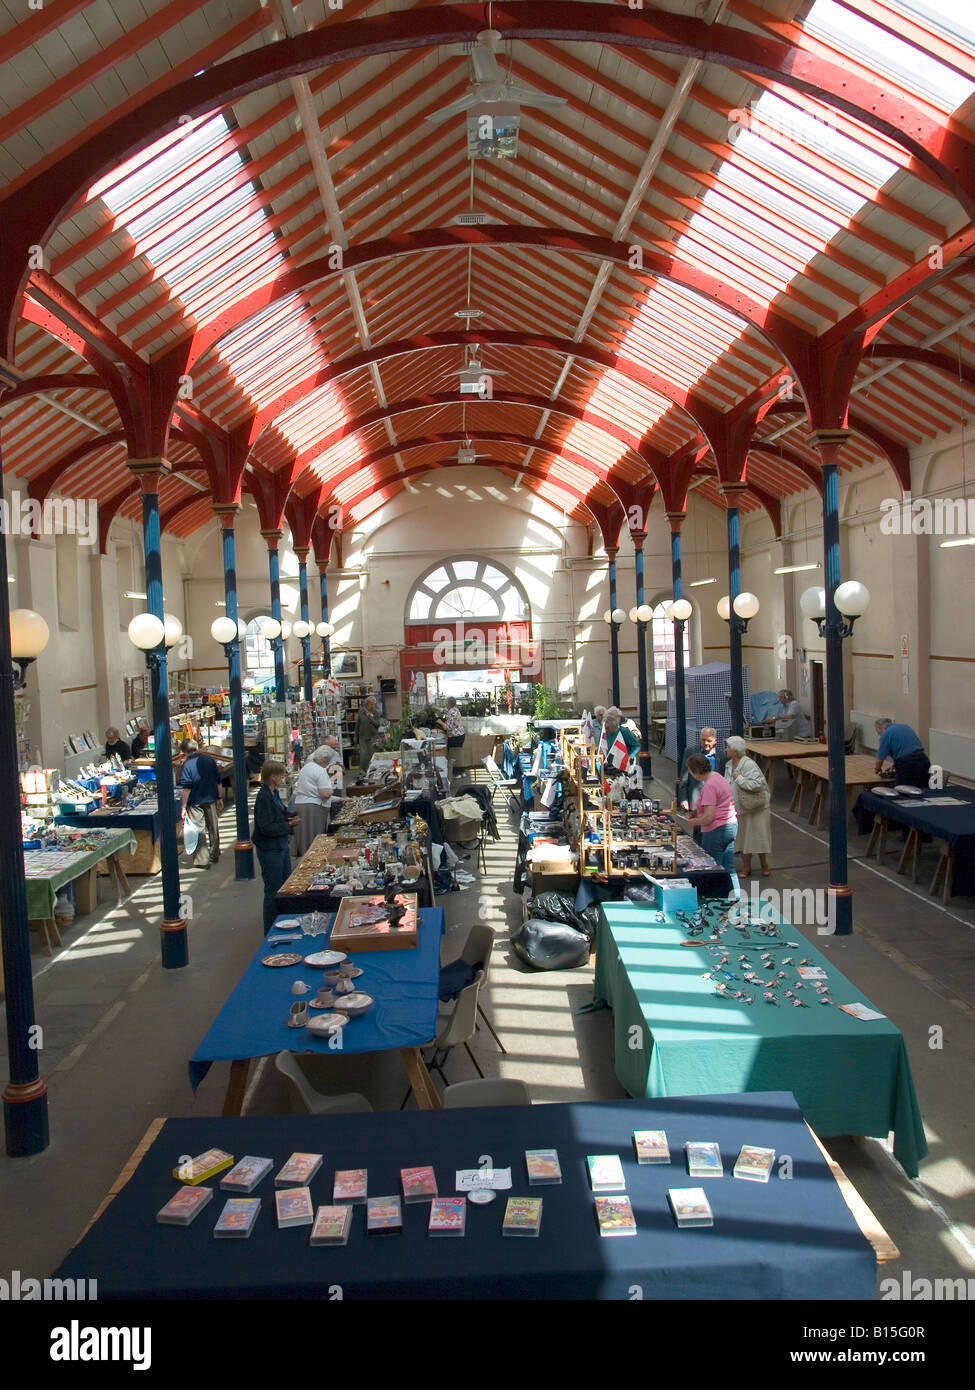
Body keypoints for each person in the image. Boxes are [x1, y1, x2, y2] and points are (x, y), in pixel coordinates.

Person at [252, 759, 298, 933]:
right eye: (280, 775)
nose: (282, 778)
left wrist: (290, 816)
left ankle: (283, 922)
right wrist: (289, 826)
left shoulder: (274, 793)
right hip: (270, 849)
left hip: (280, 846)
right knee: (273, 890)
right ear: (272, 777)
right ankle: (270, 928)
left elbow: (280, 812)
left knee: (284, 885)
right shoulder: (264, 797)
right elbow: (266, 827)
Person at [684, 753, 739, 887]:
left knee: (713, 868)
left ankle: (716, 898)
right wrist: (696, 812)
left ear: (696, 772)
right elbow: (717, 803)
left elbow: (709, 817)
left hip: (716, 830)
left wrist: (694, 822)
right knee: (729, 868)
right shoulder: (718, 777)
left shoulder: (709, 786)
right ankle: (735, 897)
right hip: (731, 825)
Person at [724, 735, 771, 878]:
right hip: (739, 808)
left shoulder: (749, 764)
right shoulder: (728, 765)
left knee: (759, 836)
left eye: (728, 747)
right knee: (743, 838)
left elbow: (757, 784)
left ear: (736, 751)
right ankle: (746, 867)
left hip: (756, 808)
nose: (726, 750)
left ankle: (764, 865)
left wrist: (739, 778)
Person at [178, 738, 223, 869]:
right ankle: (214, 853)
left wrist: (183, 806)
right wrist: (219, 797)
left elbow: (187, 787)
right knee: (213, 827)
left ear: (185, 752)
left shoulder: (187, 765)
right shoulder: (209, 760)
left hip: (195, 801)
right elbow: (218, 780)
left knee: (198, 828)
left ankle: (202, 859)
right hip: (210, 798)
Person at [678, 728, 718, 843]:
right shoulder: (690, 752)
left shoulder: (721, 756)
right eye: (703, 740)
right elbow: (684, 776)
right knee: (698, 833)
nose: (706, 743)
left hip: (714, 801)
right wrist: (683, 798)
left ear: (715, 741)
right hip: (697, 799)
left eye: (709, 740)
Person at [292, 745, 335, 854]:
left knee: (304, 836)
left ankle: (304, 860)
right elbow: (324, 794)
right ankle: (312, 862)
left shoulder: (306, 767)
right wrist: (331, 791)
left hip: (300, 804)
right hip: (313, 808)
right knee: (314, 837)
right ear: (326, 760)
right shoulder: (320, 771)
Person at [874, 718, 931, 788]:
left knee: (904, 791)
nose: (878, 734)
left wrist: (877, 769)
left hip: (908, 765)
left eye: (878, 732)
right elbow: (907, 748)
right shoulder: (905, 726)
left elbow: (880, 759)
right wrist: (895, 764)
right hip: (923, 759)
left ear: (879, 728)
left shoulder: (885, 734)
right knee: (923, 790)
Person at [436, 696, 466, 782]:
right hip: (460, 735)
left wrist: (440, 722)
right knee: (457, 753)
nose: (445, 703)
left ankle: (456, 773)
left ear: (449, 704)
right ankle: (461, 771)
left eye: (446, 702)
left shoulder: (451, 714)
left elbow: (448, 727)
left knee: (453, 755)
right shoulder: (453, 709)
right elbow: (443, 710)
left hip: (455, 736)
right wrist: (435, 708)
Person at [354, 694, 382, 774]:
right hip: (362, 737)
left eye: (374, 704)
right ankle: (363, 771)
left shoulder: (376, 712)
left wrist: (371, 718)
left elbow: (377, 724)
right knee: (363, 755)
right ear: (367, 704)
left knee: (371, 755)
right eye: (371, 704)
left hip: (373, 737)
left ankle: (372, 771)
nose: (372, 706)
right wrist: (355, 736)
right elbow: (357, 724)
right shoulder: (361, 711)